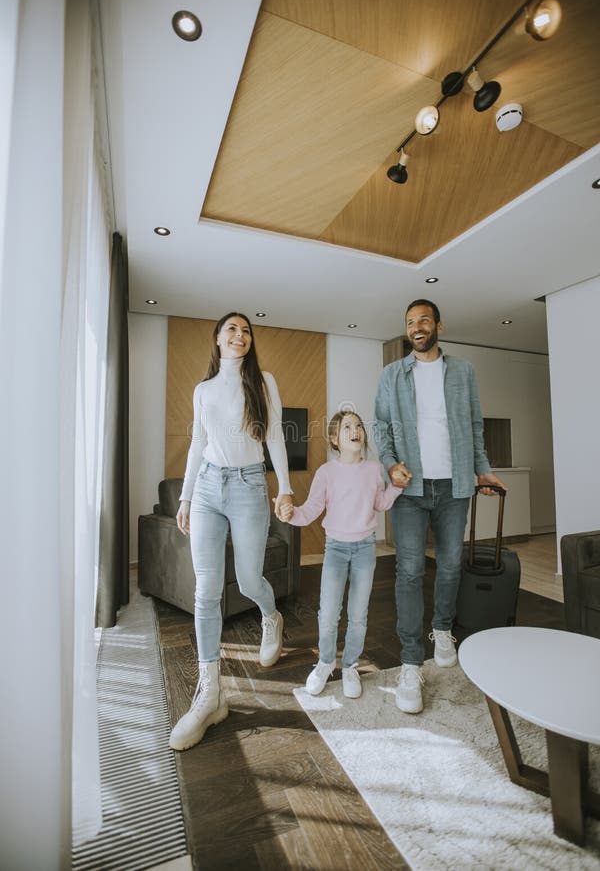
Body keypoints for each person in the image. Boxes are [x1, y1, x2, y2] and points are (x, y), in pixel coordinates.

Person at [374, 299, 506, 714]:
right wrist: (390, 463)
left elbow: (474, 425)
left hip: (455, 485)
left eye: (424, 320)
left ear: (438, 327)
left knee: (450, 564)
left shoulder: (463, 371)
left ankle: (443, 628)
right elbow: (380, 426)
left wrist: (481, 470)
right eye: (410, 322)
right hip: (410, 489)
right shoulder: (392, 375)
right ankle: (411, 661)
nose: (417, 327)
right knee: (409, 571)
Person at [170, 312, 293, 751]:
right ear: (218, 340)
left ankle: (270, 616)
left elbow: (275, 435)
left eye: (246, 331)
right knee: (206, 590)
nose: (240, 336)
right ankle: (211, 694)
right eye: (232, 330)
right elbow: (198, 444)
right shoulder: (203, 390)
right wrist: (185, 498)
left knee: (246, 580)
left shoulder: (263, 382)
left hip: (248, 486)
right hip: (206, 487)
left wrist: (285, 489)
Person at [279, 410, 403, 698]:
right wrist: (291, 514)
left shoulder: (374, 470)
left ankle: (349, 666)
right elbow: (310, 510)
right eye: (347, 426)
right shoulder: (326, 472)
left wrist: (396, 488)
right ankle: (324, 663)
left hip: (365, 549)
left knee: (358, 615)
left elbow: (381, 504)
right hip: (335, 549)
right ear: (334, 439)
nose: (355, 430)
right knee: (329, 613)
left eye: (358, 425)